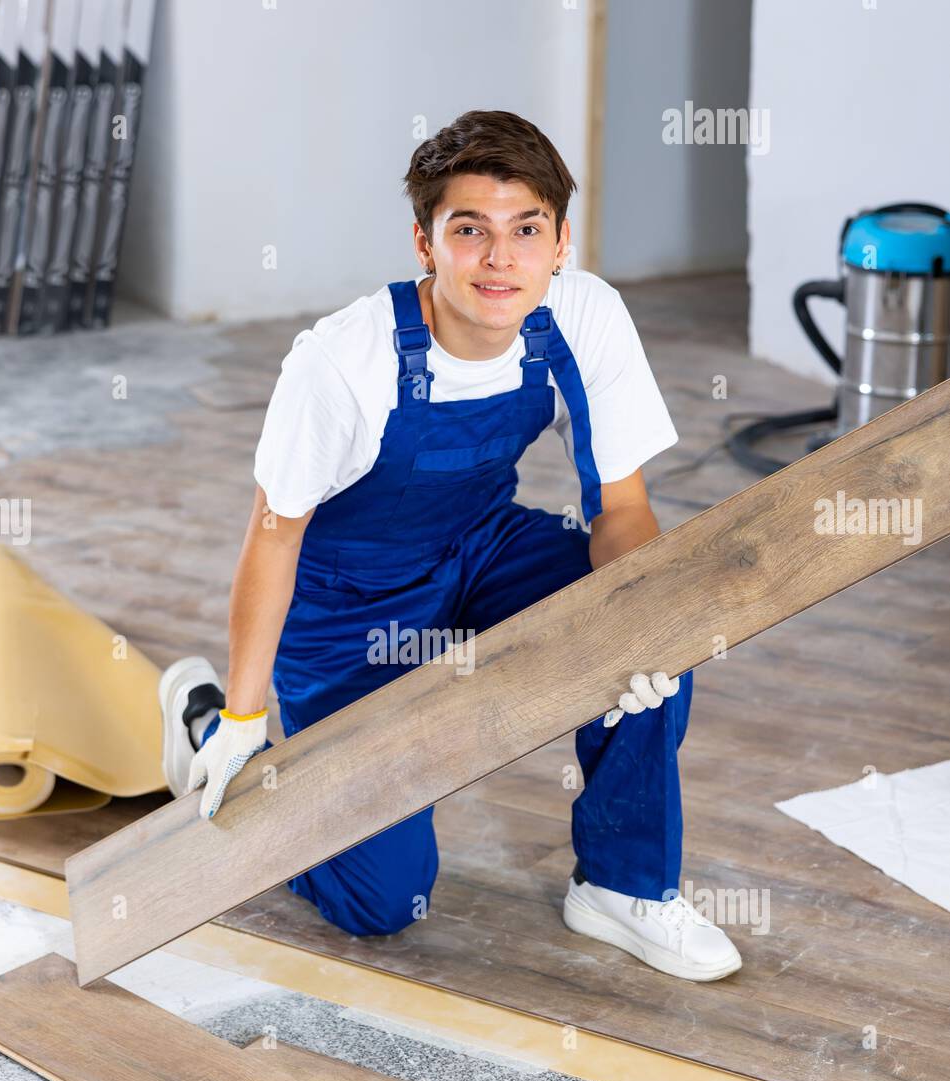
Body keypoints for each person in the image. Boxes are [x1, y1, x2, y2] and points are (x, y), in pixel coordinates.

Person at [158, 109, 741, 983]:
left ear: (560, 241)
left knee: (653, 618)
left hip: (481, 546)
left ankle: (625, 887)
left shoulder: (582, 315)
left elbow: (619, 509)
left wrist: (637, 628)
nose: (500, 259)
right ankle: (201, 718)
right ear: (426, 245)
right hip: (347, 601)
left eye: (525, 230)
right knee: (383, 902)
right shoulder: (341, 364)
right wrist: (244, 716)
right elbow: (272, 540)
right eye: (469, 230)